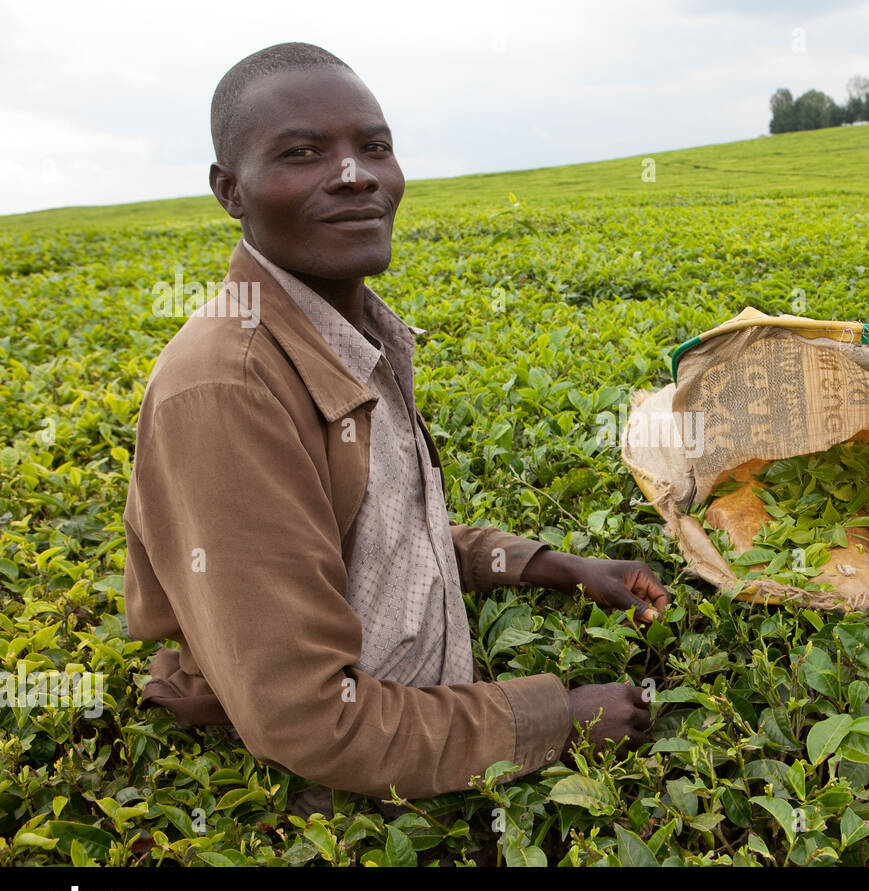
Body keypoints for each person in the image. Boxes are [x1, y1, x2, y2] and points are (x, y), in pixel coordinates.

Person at [123, 42, 669, 815]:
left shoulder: (342, 333)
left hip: (424, 726)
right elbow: (310, 721)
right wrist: (564, 718)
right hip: (350, 790)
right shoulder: (226, 388)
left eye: (373, 147)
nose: (355, 175)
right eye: (303, 153)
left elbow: (382, 542)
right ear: (230, 190)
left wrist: (561, 567)